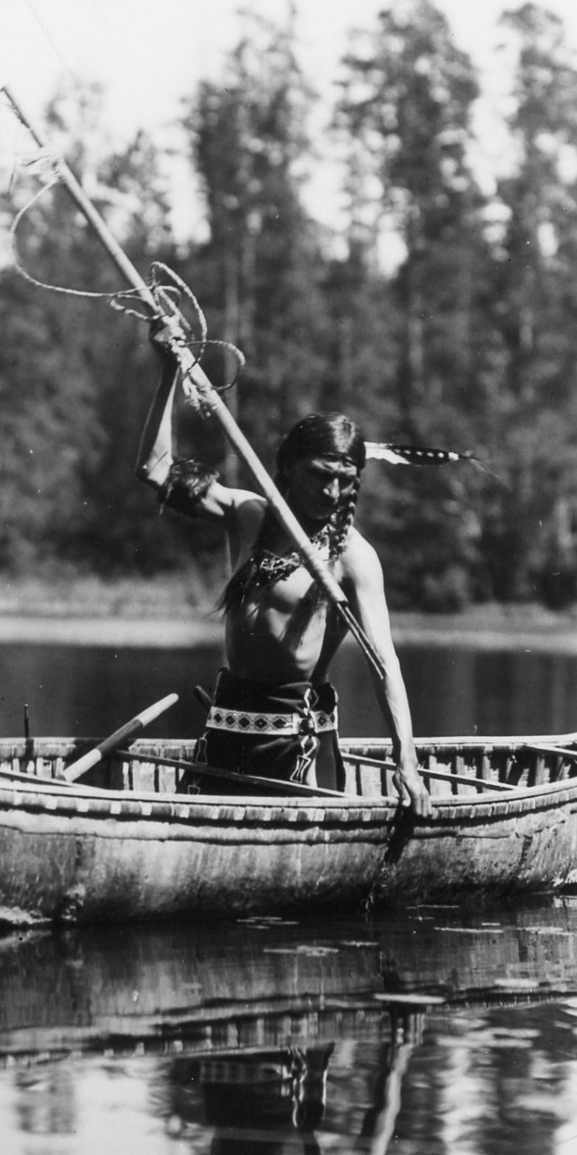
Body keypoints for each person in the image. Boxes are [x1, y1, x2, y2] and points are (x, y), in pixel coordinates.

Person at [135, 323, 429, 815]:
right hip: (226, 724)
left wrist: (407, 760)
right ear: (289, 467)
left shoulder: (352, 558)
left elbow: (385, 664)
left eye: (344, 482)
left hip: (298, 741)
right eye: (319, 476)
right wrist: (168, 371)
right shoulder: (247, 515)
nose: (331, 494)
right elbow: (155, 471)